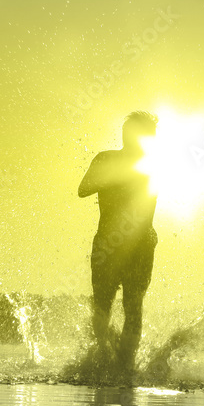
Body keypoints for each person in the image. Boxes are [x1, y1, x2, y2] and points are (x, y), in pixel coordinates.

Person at [78, 111, 159, 369]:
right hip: (107, 244)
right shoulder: (106, 159)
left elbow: (147, 207)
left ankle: (126, 368)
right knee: (101, 304)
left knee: (133, 307)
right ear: (129, 135)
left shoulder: (153, 165)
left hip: (141, 244)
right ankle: (102, 359)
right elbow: (83, 189)